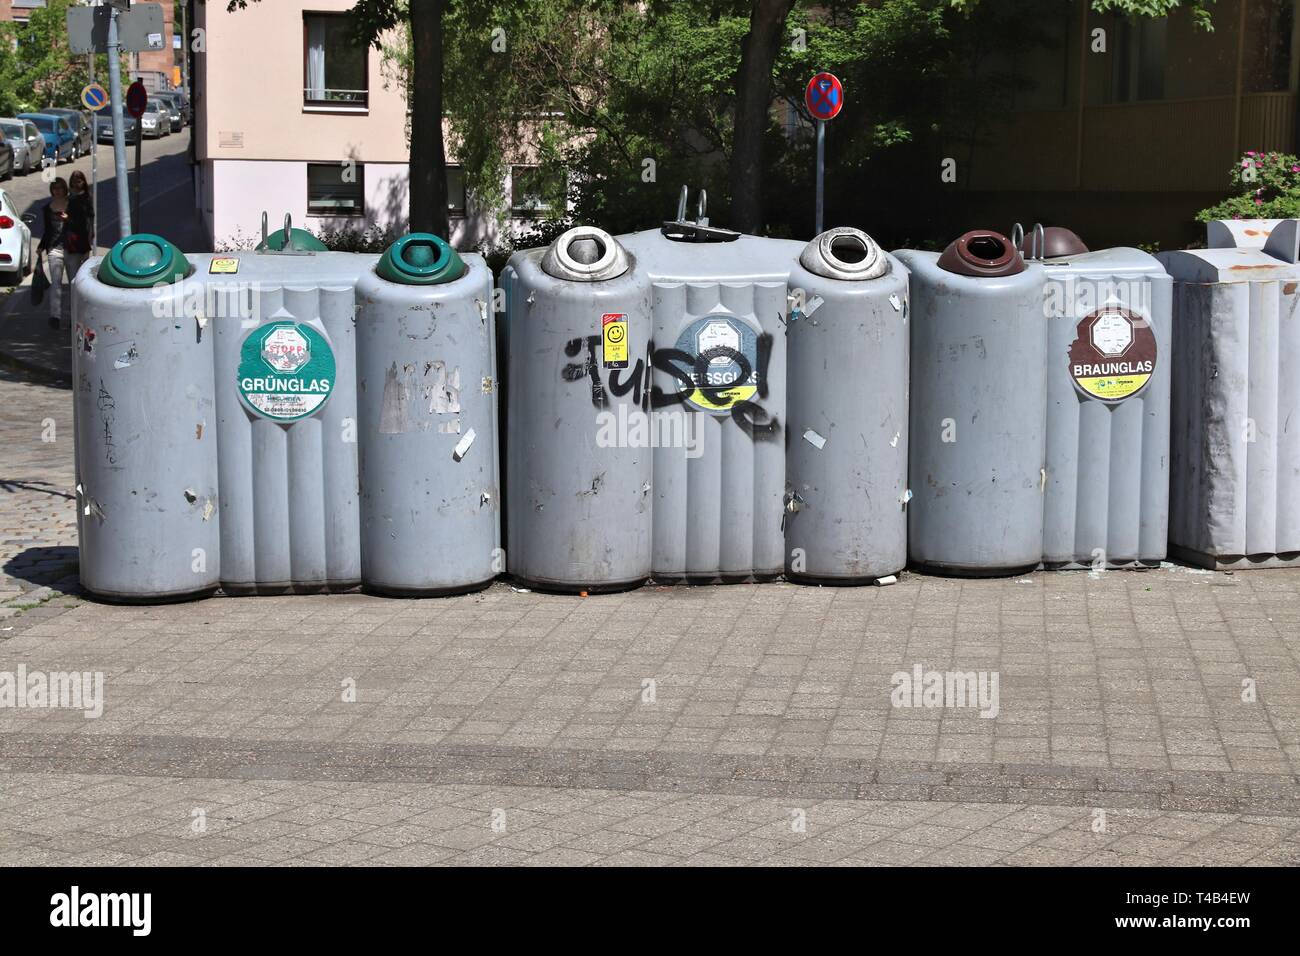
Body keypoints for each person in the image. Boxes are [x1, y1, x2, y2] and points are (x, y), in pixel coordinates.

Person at [37, 175, 93, 330]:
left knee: (73, 284)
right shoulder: (48, 208)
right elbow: (48, 230)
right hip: (54, 249)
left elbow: (81, 226)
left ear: (65, 189)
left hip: (71, 249)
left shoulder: (73, 204)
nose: (58, 191)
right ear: (52, 191)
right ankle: (55, 316)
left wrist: (68, 218)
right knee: (56, 284)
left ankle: (72, 317)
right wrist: (41, 246)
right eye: (55, 189)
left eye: (60, 188)